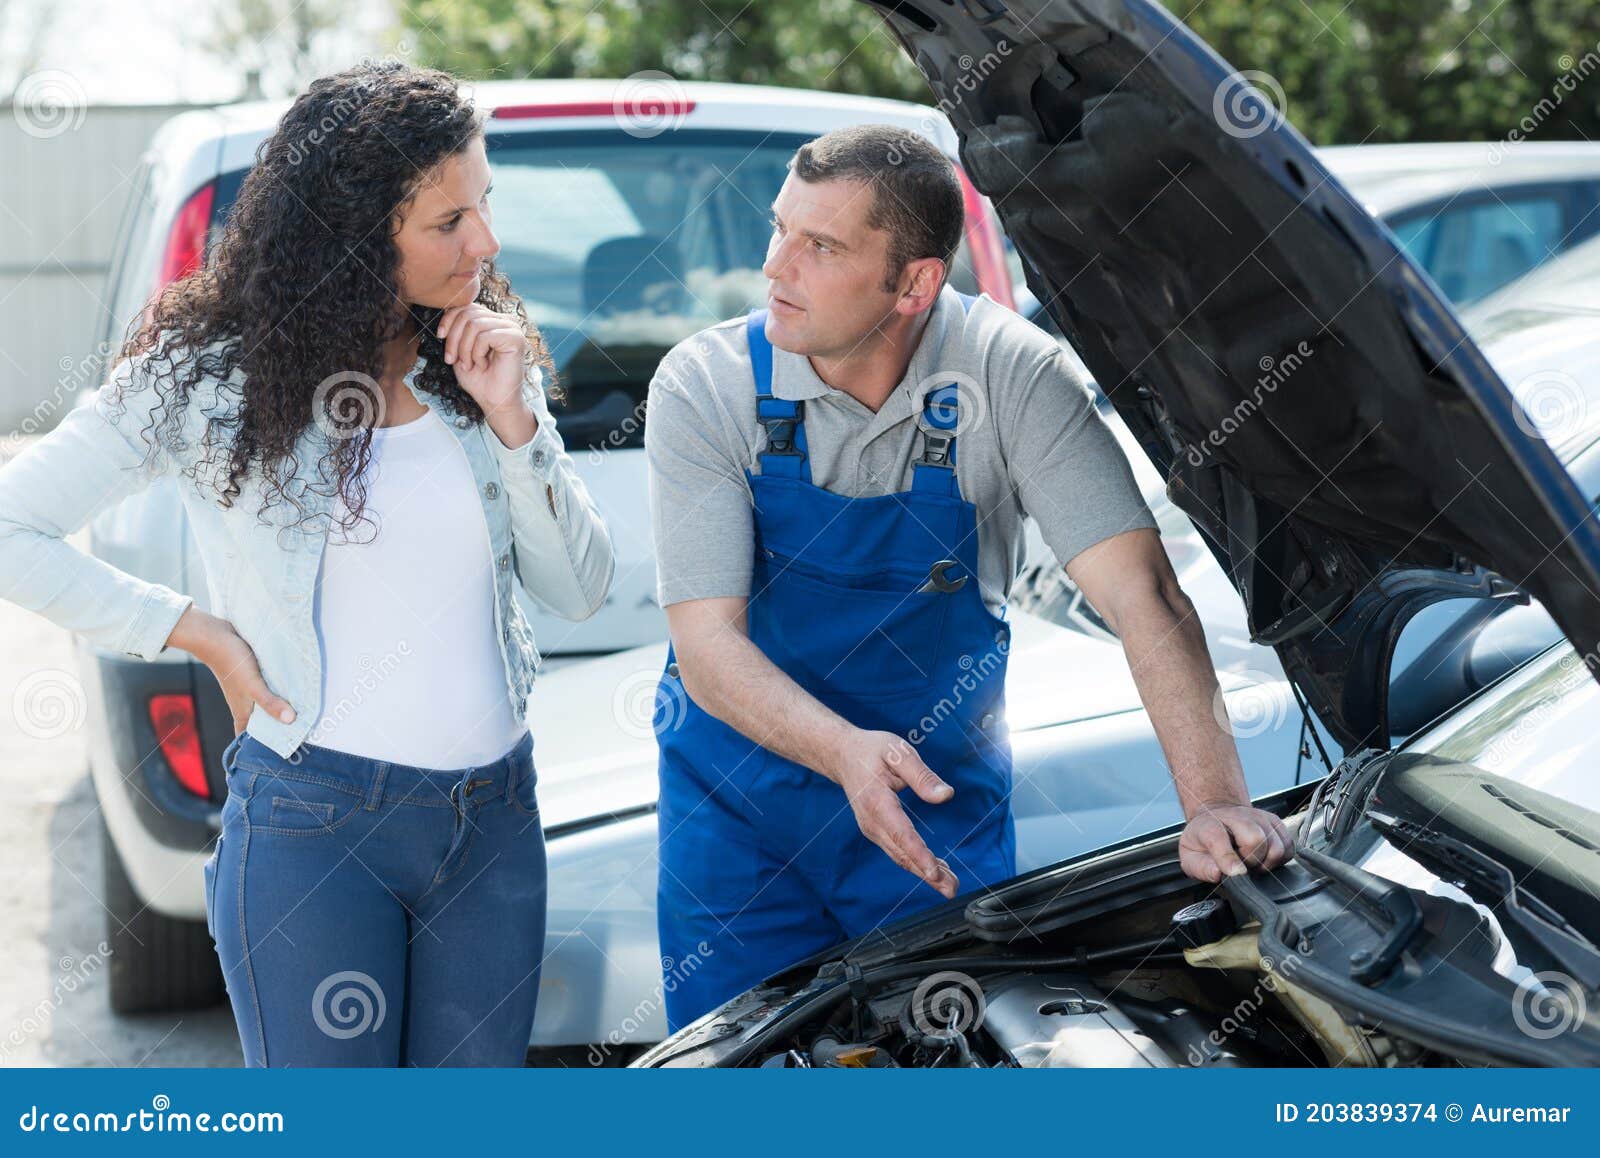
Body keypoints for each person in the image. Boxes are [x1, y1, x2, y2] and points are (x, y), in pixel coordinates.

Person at [0, 61, 615, 1065]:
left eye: (484, 206)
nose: (486, 243)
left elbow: (581, 590)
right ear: (356, 231)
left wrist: (515, 422)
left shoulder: (479, 360)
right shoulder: (205, 380)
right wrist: (194, 633)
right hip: (316, 832)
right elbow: (12, 528)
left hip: (492, 824)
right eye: (447, 222)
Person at [644, 124, 1293, 1031]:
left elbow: (1143, 596)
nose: (775, 266)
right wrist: (845, 755)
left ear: (915, 283)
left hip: (932, 814)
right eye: (779, 229)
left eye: (820, 245)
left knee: (959, 1063)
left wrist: (1216, 803)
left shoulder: (1013, 376)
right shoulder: (705, 386)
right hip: (739, 828)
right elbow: (707, 648)